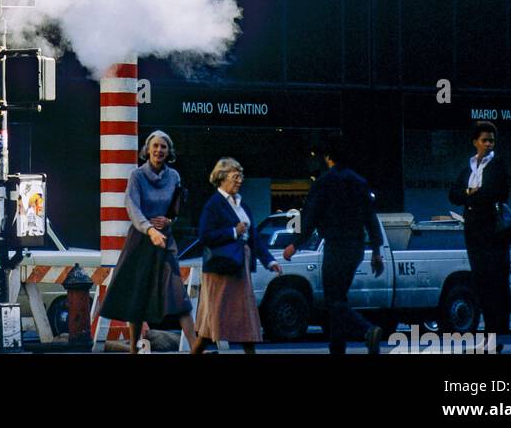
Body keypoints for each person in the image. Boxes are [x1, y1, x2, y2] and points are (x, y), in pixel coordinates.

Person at [100, 131, 201, 354]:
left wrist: (169, 220)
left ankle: (195, 349)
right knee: (138, 294)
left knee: (178, 293)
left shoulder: (174, 176)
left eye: (163, 147)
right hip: (141, 240)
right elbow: (132, 207)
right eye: (155, 146)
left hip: (165, 240)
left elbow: (177, 209)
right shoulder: (136, 176)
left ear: (169, 151)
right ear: (147, 150)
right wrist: (149, 229)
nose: (159, 150)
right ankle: (134, 349)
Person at [284, 142, 385, 354]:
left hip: (336, 245)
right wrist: (376, 250)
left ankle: (367, 330)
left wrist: (295, 243)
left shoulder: (323, 182)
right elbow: (371, 218)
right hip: (357, 246)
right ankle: (337, 347)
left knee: (333, 299)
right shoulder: (360, 182)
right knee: (340, 297)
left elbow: (310, 216)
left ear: (329, 158)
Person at [193, 158, 282, 353]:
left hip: (240, 268)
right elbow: (204, 236)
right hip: (220, 271)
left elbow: (254, 238)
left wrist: (270, 260)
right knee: (212, 323)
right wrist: (233, 231)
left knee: (245, 322)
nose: (240, 180)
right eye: (235, 176)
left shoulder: (243, 206)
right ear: (222, 178)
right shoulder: (214, 204)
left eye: (241, 176)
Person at [448, 119, 511, 349]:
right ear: (475, 142)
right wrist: (469, 191)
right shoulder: (469, 168)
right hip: (473, 232)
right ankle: (487, 338)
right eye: (484, 140)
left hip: (493, 232)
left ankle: (493, 336)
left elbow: (498, 192)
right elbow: (453, 194)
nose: (489, 144)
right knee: (481, 282)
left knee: (495, 283)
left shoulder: (498, 165)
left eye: (492, 141)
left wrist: (473, 196)